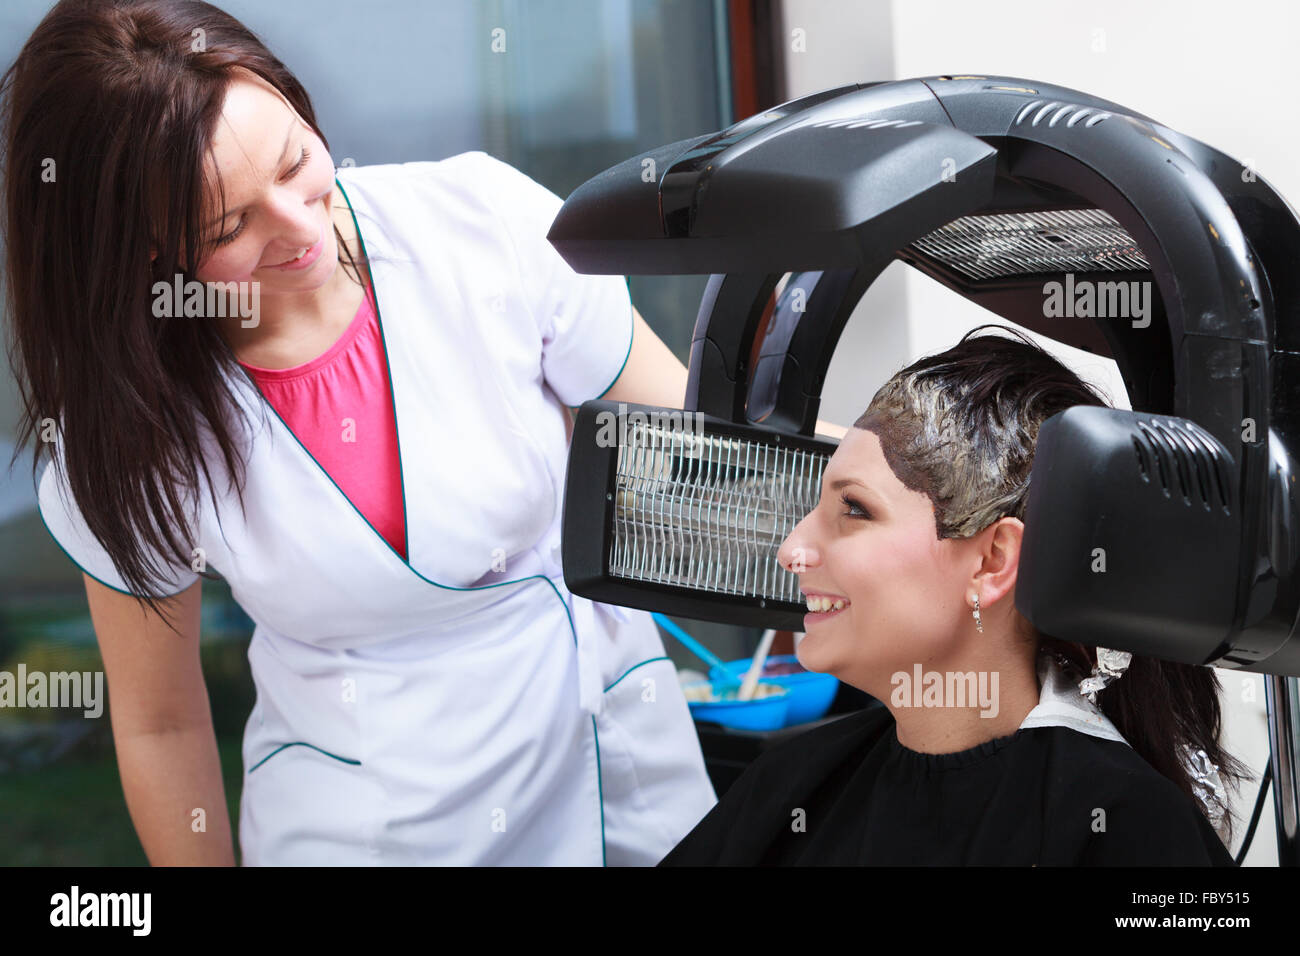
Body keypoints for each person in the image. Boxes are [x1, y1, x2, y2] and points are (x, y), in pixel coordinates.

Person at [2, 0, 720, 865]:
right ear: (147, 253)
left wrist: (905, 471)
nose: (302, 228)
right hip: (364, 823)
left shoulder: (480, 225)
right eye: (230, 226)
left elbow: (699, 445)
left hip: (612, 758)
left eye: (297, 159)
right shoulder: (131, 431)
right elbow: (161, 722)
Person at [660, 325, 1250, 866]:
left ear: (992, 561)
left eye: (854, 510)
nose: (793, 549)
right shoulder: (795, 786)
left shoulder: (1124, 829)